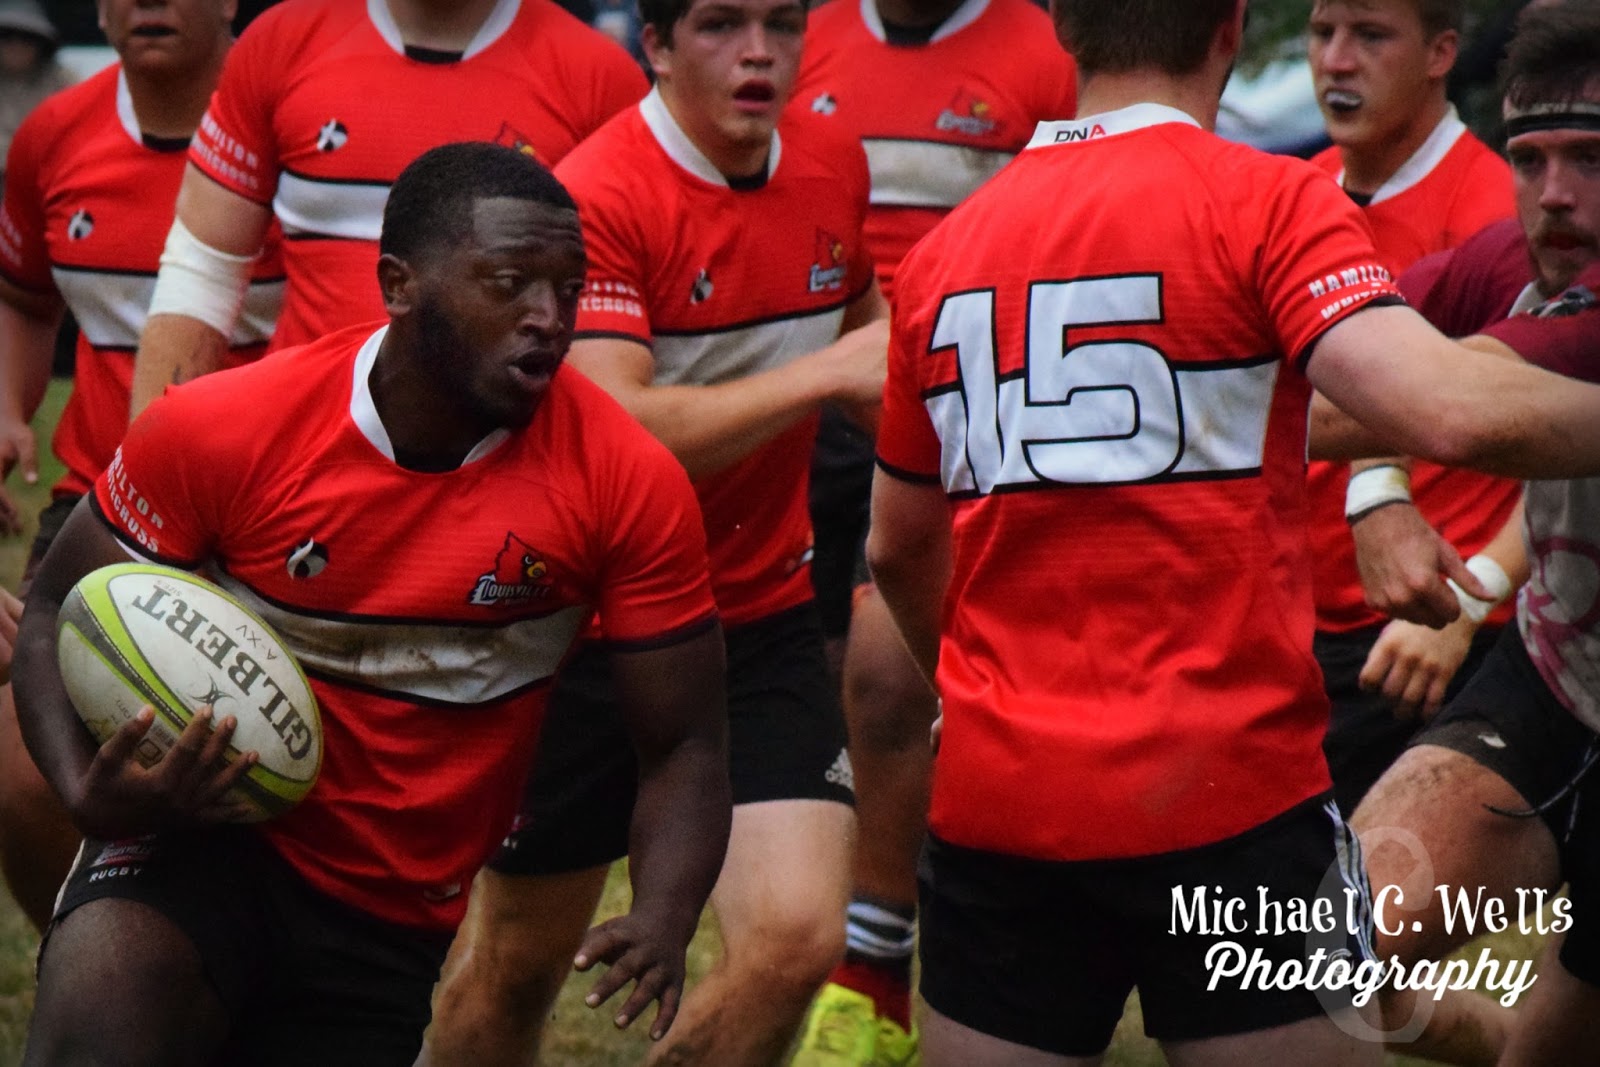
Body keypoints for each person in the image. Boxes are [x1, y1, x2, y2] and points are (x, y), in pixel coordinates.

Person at [868, 0, 1600, 1063]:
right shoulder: (1265, 200)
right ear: (1231, 28)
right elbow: (1437, 405)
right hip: (1229, 794)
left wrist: (973, 686)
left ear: (1062, 33)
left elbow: (895, 545)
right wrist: (1385, 484)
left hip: (1003, 800)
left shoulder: (942, 255)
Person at [13, 142, 731, 1067]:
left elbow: (686, 740)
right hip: (198, 837)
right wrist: (84, 790)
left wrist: (666, 911)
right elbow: (49, 614)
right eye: (509, 282)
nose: (550, 319)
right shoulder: (225, 428)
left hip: (387, 911)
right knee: (105, 1012)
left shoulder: (625, 481)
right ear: (398, 285)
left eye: (568, 287)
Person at [421, 0, 887, 1062]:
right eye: (721, 24)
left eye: (780, 21)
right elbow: (625, 431)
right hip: (584, 623)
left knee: (797, 935)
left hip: (756, 611)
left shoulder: (831, 164)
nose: (759, 51)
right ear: (657, 45)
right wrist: (828, 372)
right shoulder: (596, 195)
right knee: (516, 969)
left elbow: (869, 339)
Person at [789, 0, 1076, 1059]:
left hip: (979, 401)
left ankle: (872, 967)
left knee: (888, 668)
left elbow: (1084, 212)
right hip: (823, 390)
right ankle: (864, 919)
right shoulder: (795, 32)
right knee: (834, 689)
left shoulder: (1045, 50)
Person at [1331, 4, 1600, 1062]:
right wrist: (1377, 491)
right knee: (1335, 953)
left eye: (1589, 157)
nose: (1554, 195)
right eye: (1529, 159)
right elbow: (1354, 340)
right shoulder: (1514, 256)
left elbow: (1452, 399)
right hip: (1555, 680)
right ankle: (1487, 1039)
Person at [0, 0, 284, 931]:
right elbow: (26, 295)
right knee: (18, 771)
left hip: (273, 513)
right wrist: (9, 406)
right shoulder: (54, 134)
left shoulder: (299, 130)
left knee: (255, 792)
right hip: (99, 500)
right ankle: (80, 953)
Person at [127, 0, 648, 417]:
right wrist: (151, 458)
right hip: (300, 450)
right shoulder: (282, 41)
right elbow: (202, 272)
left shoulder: (600, 77)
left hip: (502, 465)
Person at [1303, 0, 1520, 816]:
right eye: (1322, 34)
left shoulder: (1500, 213)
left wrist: (1464, 611)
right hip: (1296, 625)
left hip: (1425, 640)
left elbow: (1563, 454)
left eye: (1370, 36)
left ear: (1440, 53)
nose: (1337, 61)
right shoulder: (1295, 197)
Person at [0, 0, 73, 188]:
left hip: (48, 185)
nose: (16, 45)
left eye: (26, 37)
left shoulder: (64, 82)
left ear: (41, 42)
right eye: (7, 36)